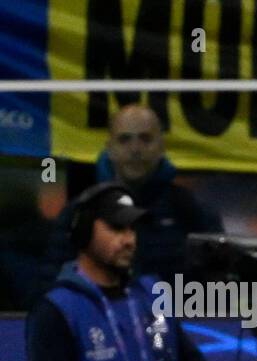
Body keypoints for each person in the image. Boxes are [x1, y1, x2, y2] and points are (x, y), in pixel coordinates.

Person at [26, 182, 231, 361]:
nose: (129, 240)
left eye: (132, 229)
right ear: (84, 232)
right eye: (116, 228)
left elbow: (187, 360)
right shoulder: (56, 309)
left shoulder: (151, 294)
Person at [41, 104, 223, 290]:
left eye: (145, 139)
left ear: (161, 147)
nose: (135, 149)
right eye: (124, 139)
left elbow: (217, 293)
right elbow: (53, 288)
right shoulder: (79, 213)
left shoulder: (192, 211)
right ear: (109, 148)